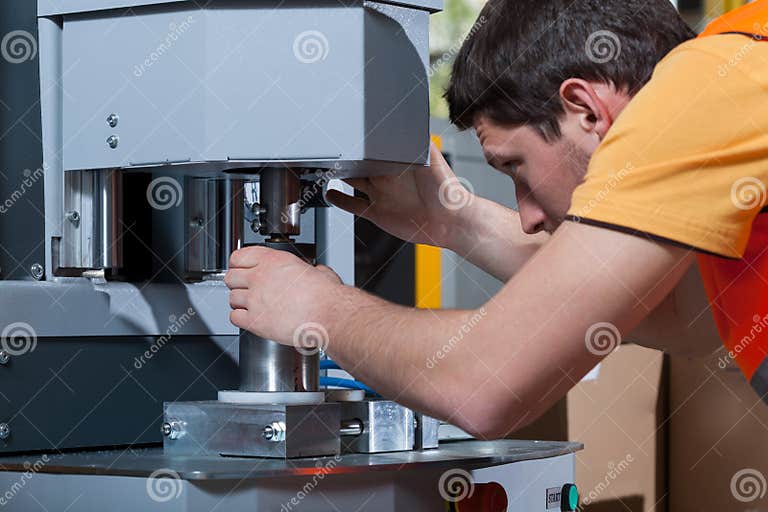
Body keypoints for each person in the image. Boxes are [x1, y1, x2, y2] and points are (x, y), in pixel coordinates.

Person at [225, 0, 768, 439]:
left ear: (585, 108)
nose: (529, 217)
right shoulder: (736, 77)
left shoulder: (702, 90)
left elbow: (484, 384)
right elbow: (682, 315)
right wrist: (457, 222)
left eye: (515, 166)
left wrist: (317, 308)